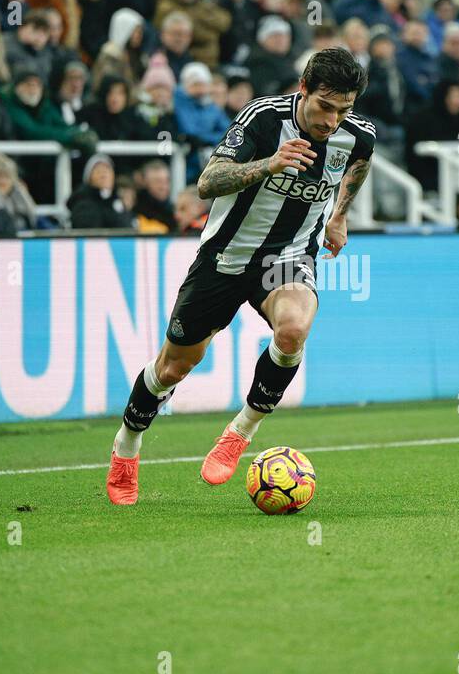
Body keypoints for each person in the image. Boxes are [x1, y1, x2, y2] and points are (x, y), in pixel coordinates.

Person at [105, 47, 375, 505]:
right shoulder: (262, 119)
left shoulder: (358, 134)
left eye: (343, 110)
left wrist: (339, 215)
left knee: (292, 331)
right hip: (225, 258)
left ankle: (240, 431)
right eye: (325, 106)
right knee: (174, 365)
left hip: (288, 257)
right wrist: (269, 164)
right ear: (303, 88)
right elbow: (207, 183)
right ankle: (127, 444)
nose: (332, 121)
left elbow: (358, 165)